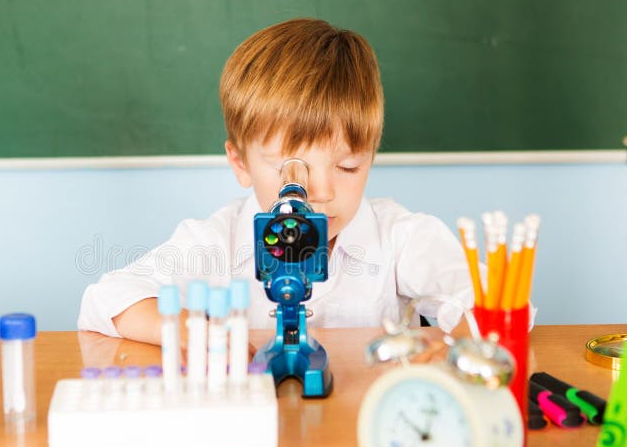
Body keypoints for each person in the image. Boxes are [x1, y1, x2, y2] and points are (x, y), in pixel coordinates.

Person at [78, 18, 473, 346]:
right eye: (292, 174)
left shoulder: (401, 238)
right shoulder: (219, 240)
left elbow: (489, 304)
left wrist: (463, 336)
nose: (322, 193)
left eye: (348, 167)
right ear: (241, 163)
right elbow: (107, 298)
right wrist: (198, 333)